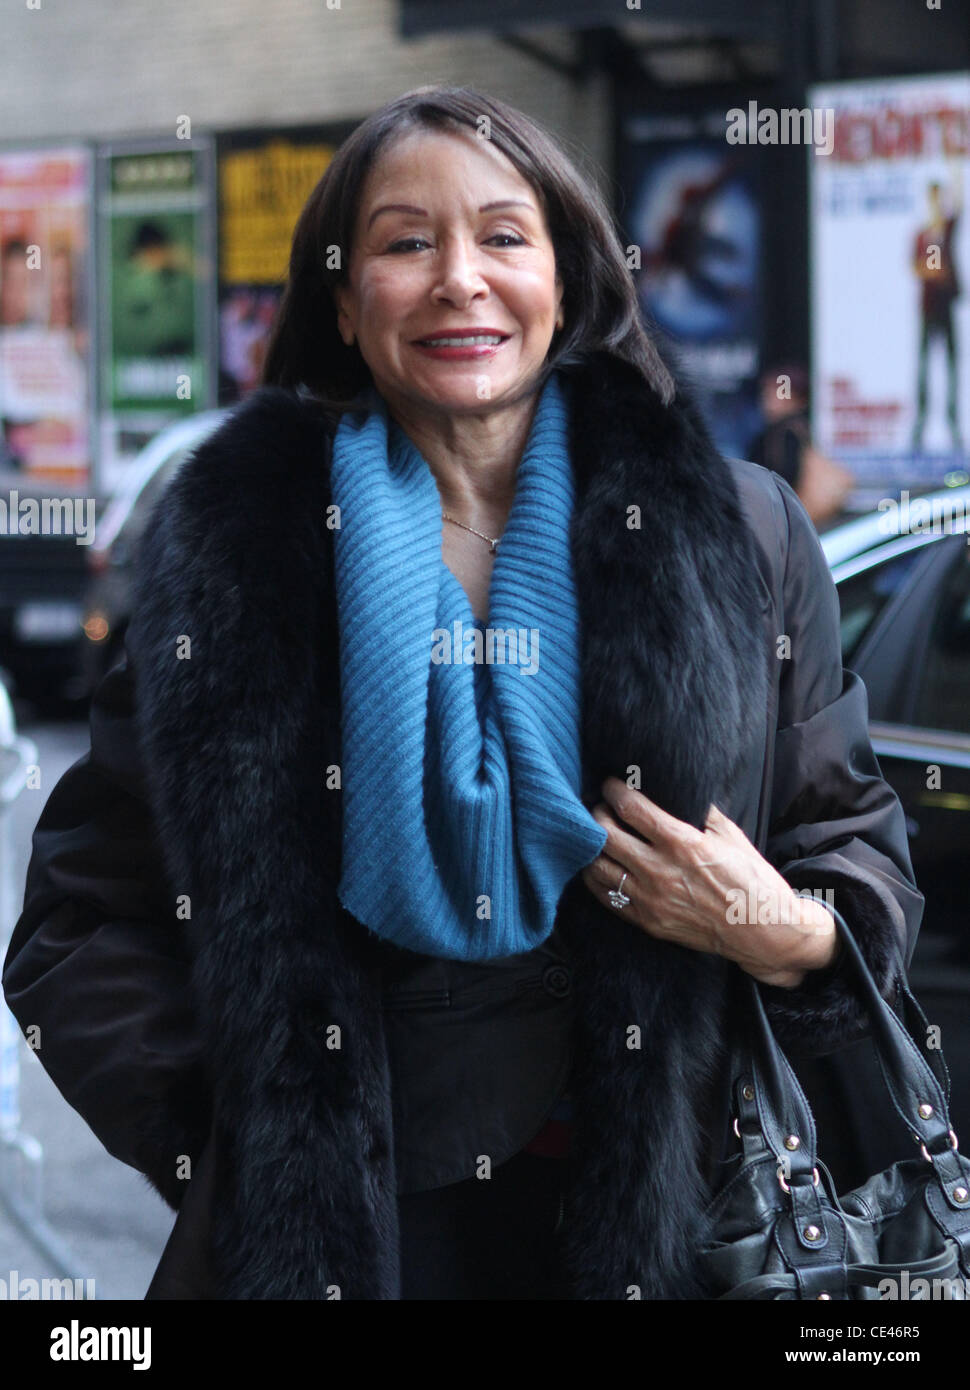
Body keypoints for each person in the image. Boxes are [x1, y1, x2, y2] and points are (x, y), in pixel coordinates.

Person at [2, 85, 923, 1301]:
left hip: (677, 1229)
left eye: (501, 236)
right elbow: (77, 924)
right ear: (342, 297)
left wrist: (783, 928)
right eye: (402, 243)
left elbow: (853, 839)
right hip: (361, 1247)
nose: (458, 279)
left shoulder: (731, 533)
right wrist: (244, 1140)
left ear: (566, 278)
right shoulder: (243, 550)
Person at [748, 362, 853, 527]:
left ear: (794, 398)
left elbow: (785, 477)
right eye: (765, 393)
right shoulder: (793, 429)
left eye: (773, 394)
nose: (766, 400)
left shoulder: (784, 434)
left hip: (784, 518)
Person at [911, 173, 962, 455]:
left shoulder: (947, 230)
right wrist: (931, 271)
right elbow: (915, 266)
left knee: (951, 365)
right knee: (925, 365)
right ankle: (921, 419)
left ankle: (952, 419)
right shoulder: (921, 234)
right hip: (928, 307)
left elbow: (958, 202)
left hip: (944, 306)